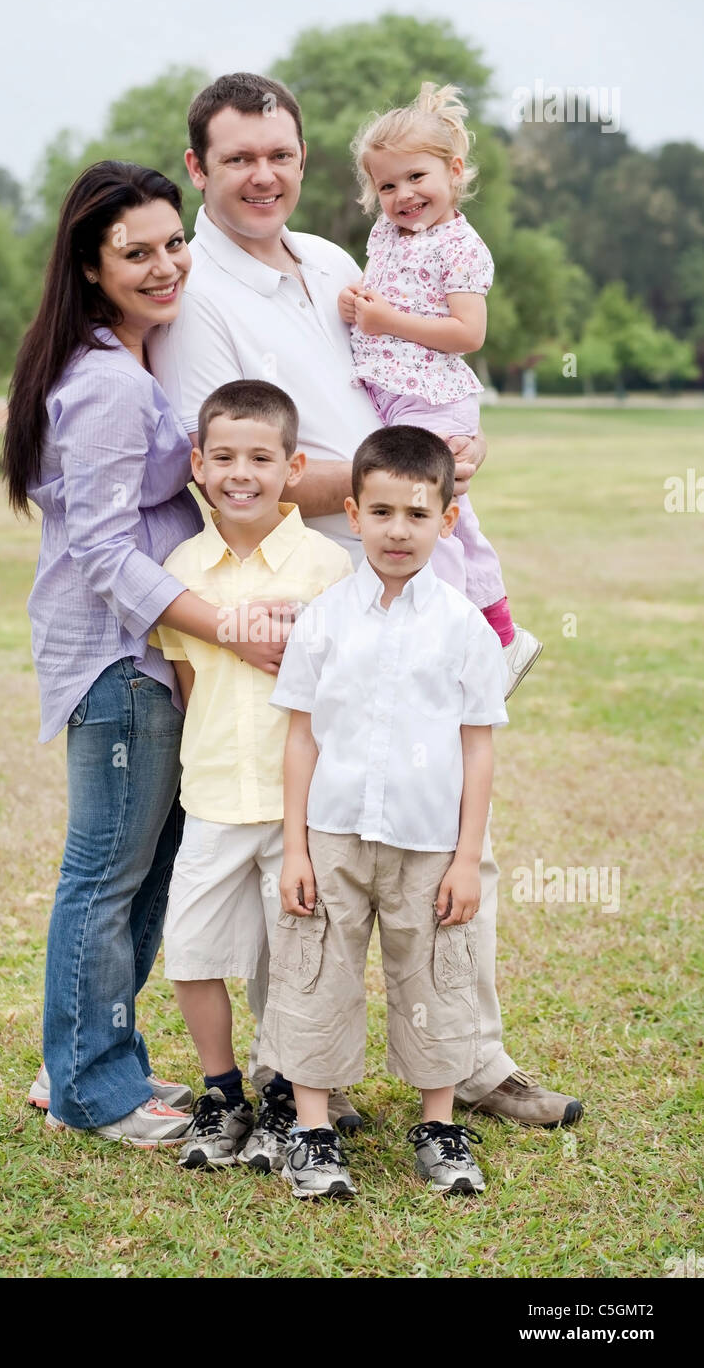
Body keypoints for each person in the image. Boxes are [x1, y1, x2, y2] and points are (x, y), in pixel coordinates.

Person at [149, 72, 582, 1130]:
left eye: (281, 154)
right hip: (313, 593)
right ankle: (312, 1087)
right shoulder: (193, 297)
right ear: (198, 169)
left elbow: (413, 384)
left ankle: (474, 1061)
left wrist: (447, 453)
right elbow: (239, 466)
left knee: (447, 835)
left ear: (306, 164)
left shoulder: (341, 261)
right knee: (320, 849)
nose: (264, 174)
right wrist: (397, 484)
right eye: (239, 156)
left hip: (413, 574)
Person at [3, 161, 293, 1147]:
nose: (166, 264)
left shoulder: (125, 366)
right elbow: (99, 552)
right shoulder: (106, 386)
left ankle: (99, 1061)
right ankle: (89, 1088)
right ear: (91, 266)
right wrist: (228, 628)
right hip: (118, 661)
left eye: (173, 243)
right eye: (136, 253)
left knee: (147, 870)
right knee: (106, 876)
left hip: (148, 656)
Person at [259, 427, 508, 1198]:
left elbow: (478, 750)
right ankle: (313, 1131)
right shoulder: (326, 619)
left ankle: (437, 1126)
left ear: (448, 520)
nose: (399, 529)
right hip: (331, 837)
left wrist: (467, 859)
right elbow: (301, 739)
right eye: (382, 511)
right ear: (353, 512)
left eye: (418, 513)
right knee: (314, 975)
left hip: (428, 843)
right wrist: (294, 848)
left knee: (436, 977)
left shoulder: (464, 628)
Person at [149, 380, 352, 1172]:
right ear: (197, 465)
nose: (242, 473)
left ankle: (282, 1094)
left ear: (294, 467)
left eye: (262, 458)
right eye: (224, 456)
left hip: (298, 808)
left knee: (292, 959)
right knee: (193, 953)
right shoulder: (181, 570)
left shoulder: (329, 566)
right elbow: (192, 684)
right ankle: (222, 1090)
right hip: (213, 799)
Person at [341, 83, 541, 695]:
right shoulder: (386, 237)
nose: (403, 196)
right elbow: (380, 298)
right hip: (395, 396)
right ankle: (499, 638)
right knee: (452, 518)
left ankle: (459, 641)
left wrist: (382, 321)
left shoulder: (460, 246)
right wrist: (357, 304)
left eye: (416, 177)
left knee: (438, 521)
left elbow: (467, 332)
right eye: (387, 185)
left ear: (454, 172)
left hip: (435, 396)